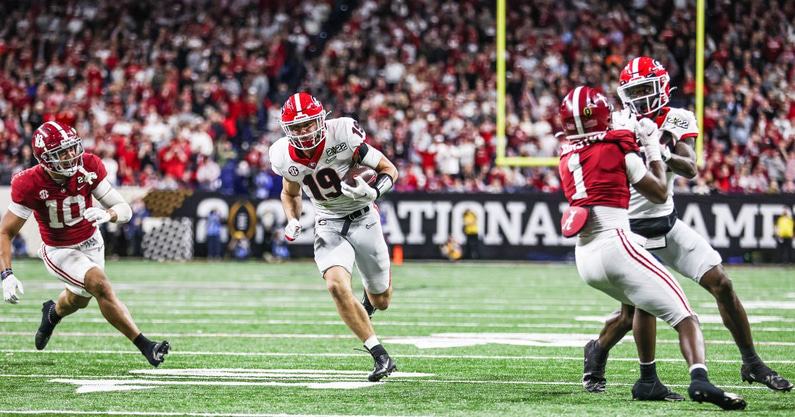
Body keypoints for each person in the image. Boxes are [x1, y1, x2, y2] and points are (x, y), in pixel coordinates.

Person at [583, 57, 792, 394]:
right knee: (634, 313)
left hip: (667, 224)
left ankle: (752, 363)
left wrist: (659, 151)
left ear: (662, 87)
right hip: (630, 231)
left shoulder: (677, 118)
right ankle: (605, 354)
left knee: (722, 284)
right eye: (633, 91)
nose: (639, 98)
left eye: (645, 89)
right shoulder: (618, 123)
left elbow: (690, 167)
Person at [558, 86, 745, 410]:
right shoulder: (618, 149)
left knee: (637, 309)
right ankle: (699, 379)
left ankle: (641, 377)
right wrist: (651, 148)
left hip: (584, 257)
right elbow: (659, 192)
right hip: (617, 245)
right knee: (684, 315)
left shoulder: (566, 156)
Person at [0, 121, 170, 367]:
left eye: (72, 148)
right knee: (99, 285)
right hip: (59, 249)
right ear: (45, 158)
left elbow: (124, 209)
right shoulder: (29, 183)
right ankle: (146, 346)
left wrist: (108, 214)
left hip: (92, 241)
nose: (71, 155)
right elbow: (6, 232)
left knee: (79, 299)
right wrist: (6, 274)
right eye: (62, 152)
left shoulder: (88, 165)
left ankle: (52, 313)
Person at [269, 93, 399, 382]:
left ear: (321, 120)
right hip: (327, 221)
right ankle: (380, 355)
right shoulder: (282, 155)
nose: (304, 132)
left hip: (364, 217)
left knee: (381, 300)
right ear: (287, 129)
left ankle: (368, 302)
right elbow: (290, 193)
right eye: (297, 127)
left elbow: (389, 169)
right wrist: (292, 219)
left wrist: (374, 191)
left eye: (308, 124)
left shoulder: (343, 134)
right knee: (336, 285)